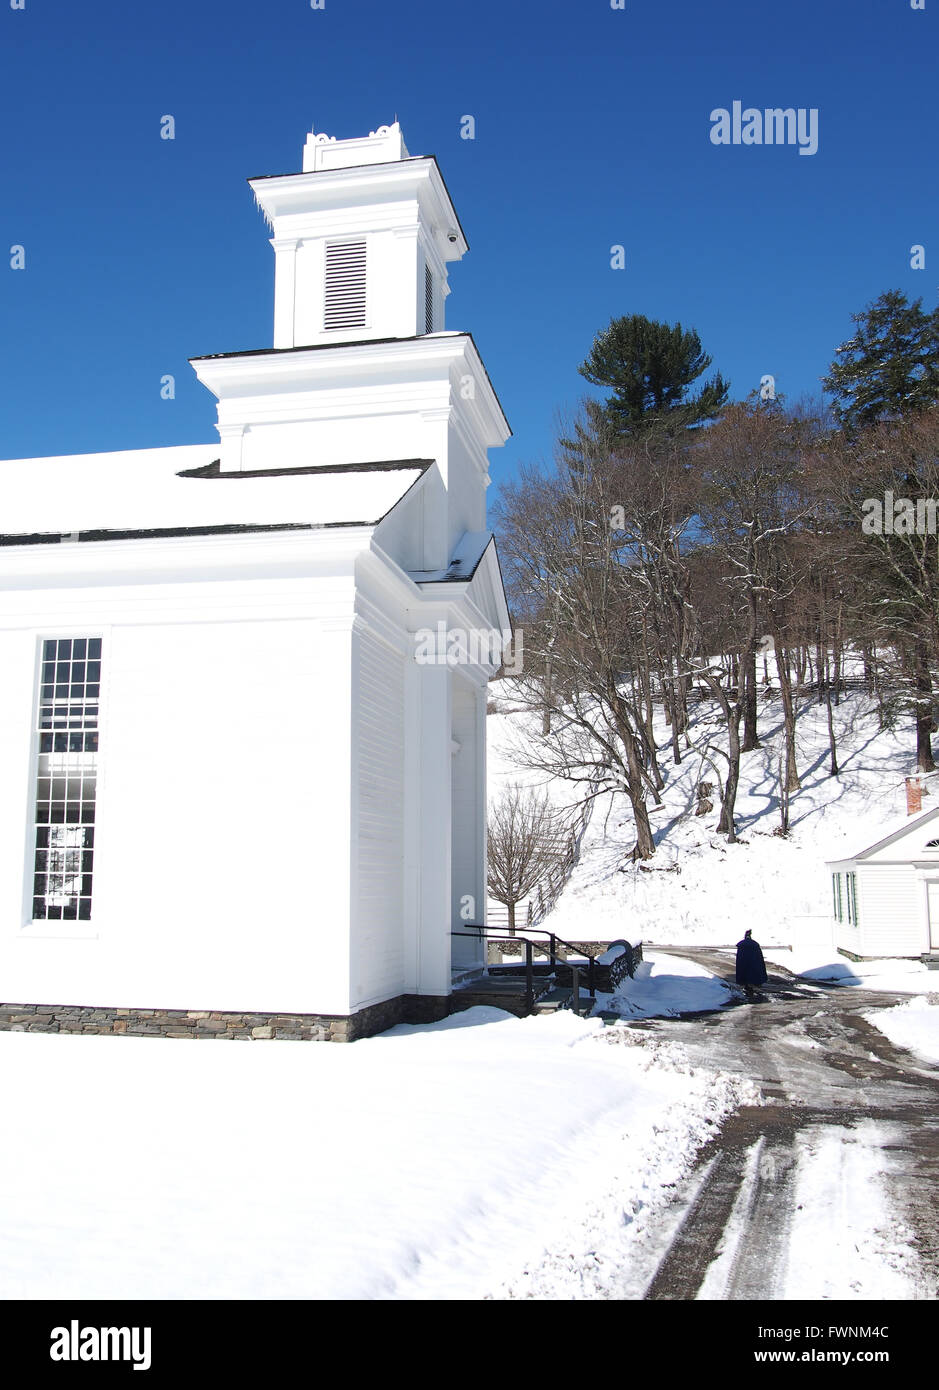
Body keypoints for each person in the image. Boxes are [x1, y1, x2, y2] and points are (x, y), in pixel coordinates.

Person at [735, 929, 768, 998]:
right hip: (753, 963)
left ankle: (747, 986)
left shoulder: (741, 945)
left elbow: (739, 958)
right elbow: (759, 958)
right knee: (752, 974)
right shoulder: (754, 945)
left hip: (743, 964)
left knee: (745, 973)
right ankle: (752, 985)